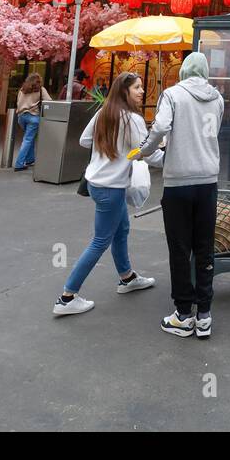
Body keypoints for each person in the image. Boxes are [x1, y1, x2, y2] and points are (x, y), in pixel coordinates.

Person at [54, 73, 156, 316]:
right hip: (111, 188)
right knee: (100, 241)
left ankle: (127, 277)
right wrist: (174, 159)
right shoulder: (133, 119)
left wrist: (111, 148)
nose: (142, 91)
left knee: (121, 230)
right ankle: (67, 297)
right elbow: (148, 154)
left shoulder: (104, 113)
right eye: (137, 88)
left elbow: (84, 141)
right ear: (124, 92)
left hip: (96, 183)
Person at [138, 52, 224, 339]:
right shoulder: (217, 98)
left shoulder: (173, 94)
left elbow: (161, 127)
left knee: (179, 248)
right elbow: (211, 135)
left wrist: (145, 150)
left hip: (178, 182)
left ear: (185, 71)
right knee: (204, 248)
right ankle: (205, 315)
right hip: (207, 180)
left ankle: (183, 315)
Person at [13, 74, 50, 172]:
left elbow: (18, 102)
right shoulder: (41, 90)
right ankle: (19, 164)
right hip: (33, 117)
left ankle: (30, 159)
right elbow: (49, 101)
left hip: (21, 117)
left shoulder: (22, 89)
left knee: (29, 138)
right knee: (28, 139)